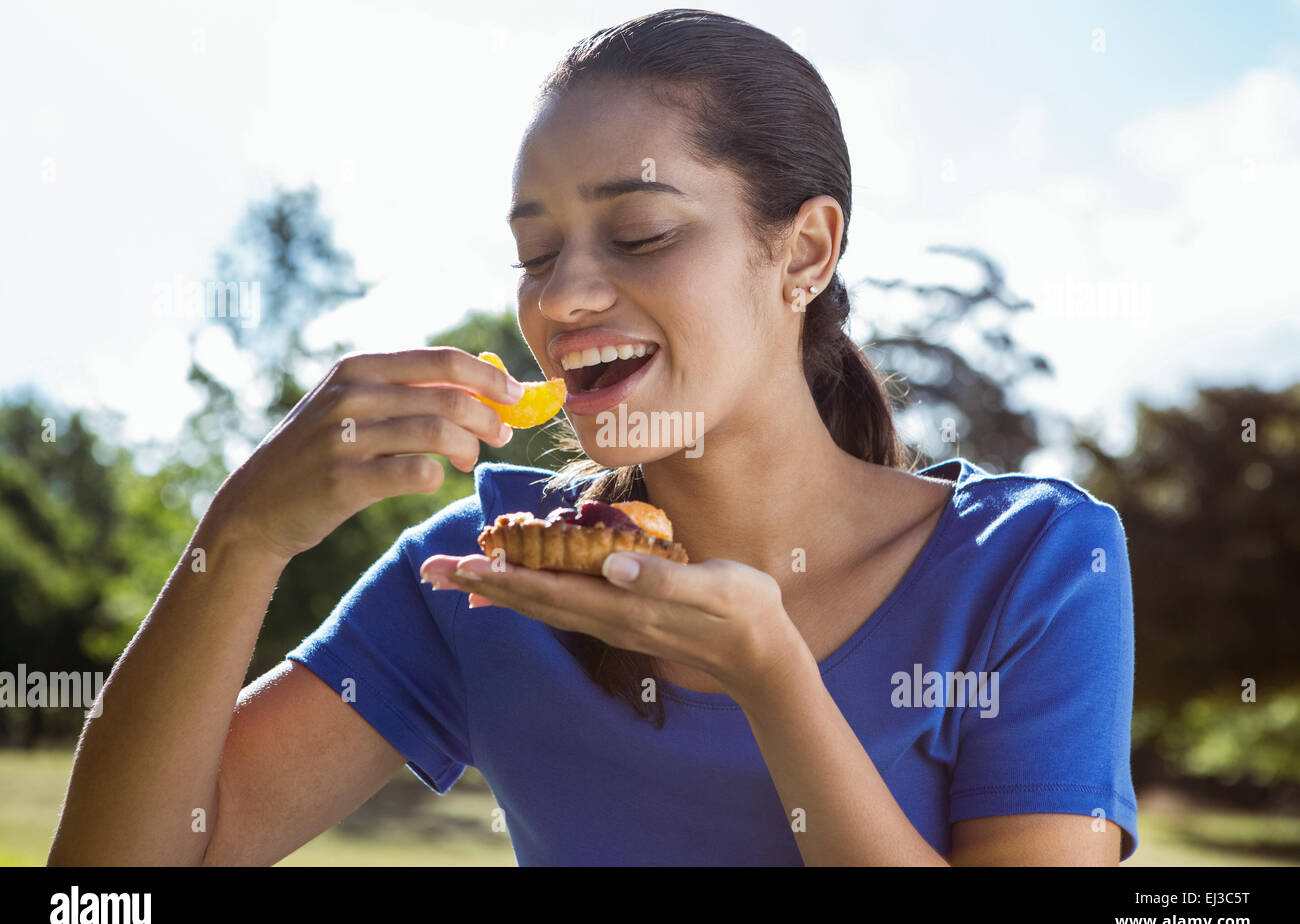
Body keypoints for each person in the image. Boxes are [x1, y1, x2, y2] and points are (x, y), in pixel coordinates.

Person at [48, 10, 1137, 866]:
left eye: (641, 233)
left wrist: (772, 677)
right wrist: (236, 536)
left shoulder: (1033, 565)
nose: (565, 296)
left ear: (804, 251)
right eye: (533, 254)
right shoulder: (483, 574)